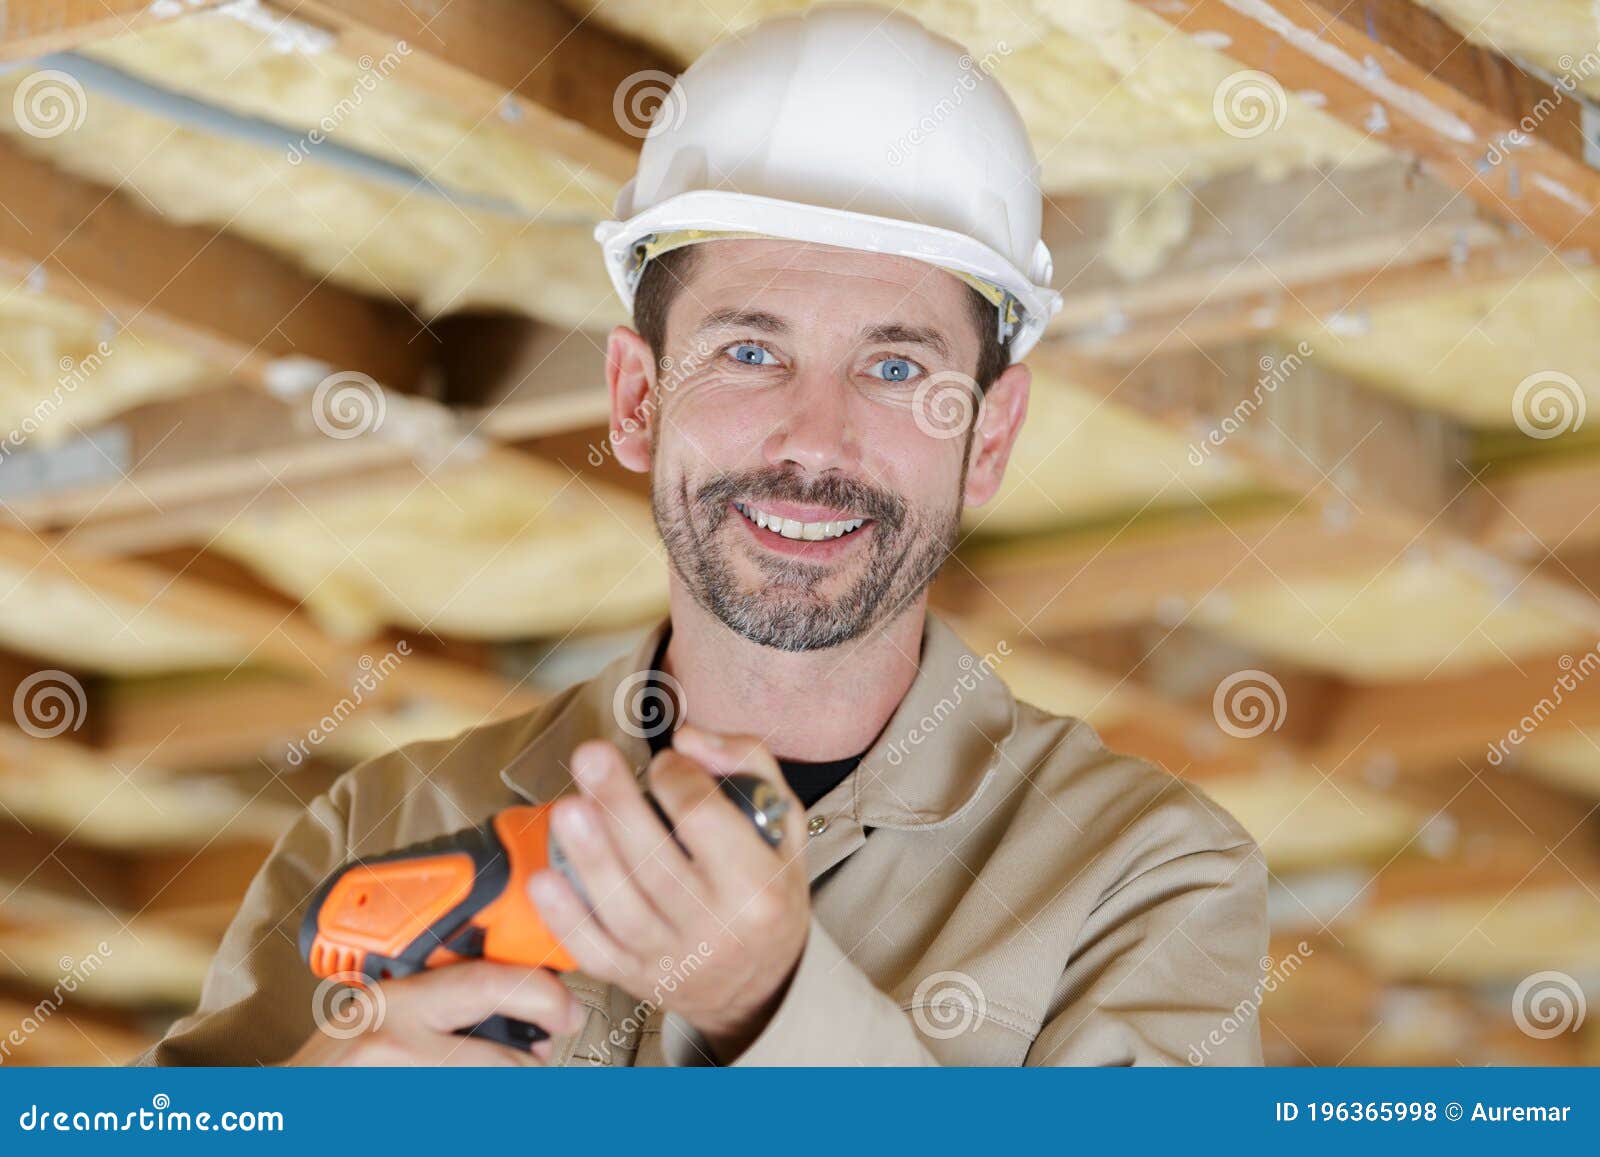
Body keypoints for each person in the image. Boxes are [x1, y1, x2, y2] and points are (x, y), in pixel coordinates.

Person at [139, 4, 1266, 1067]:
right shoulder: (388, 822)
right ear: (635, 399)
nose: (813, 440)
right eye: (748, 350)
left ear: (985, 434)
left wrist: (766, 1005)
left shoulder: (1142, 875)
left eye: (892, 366)